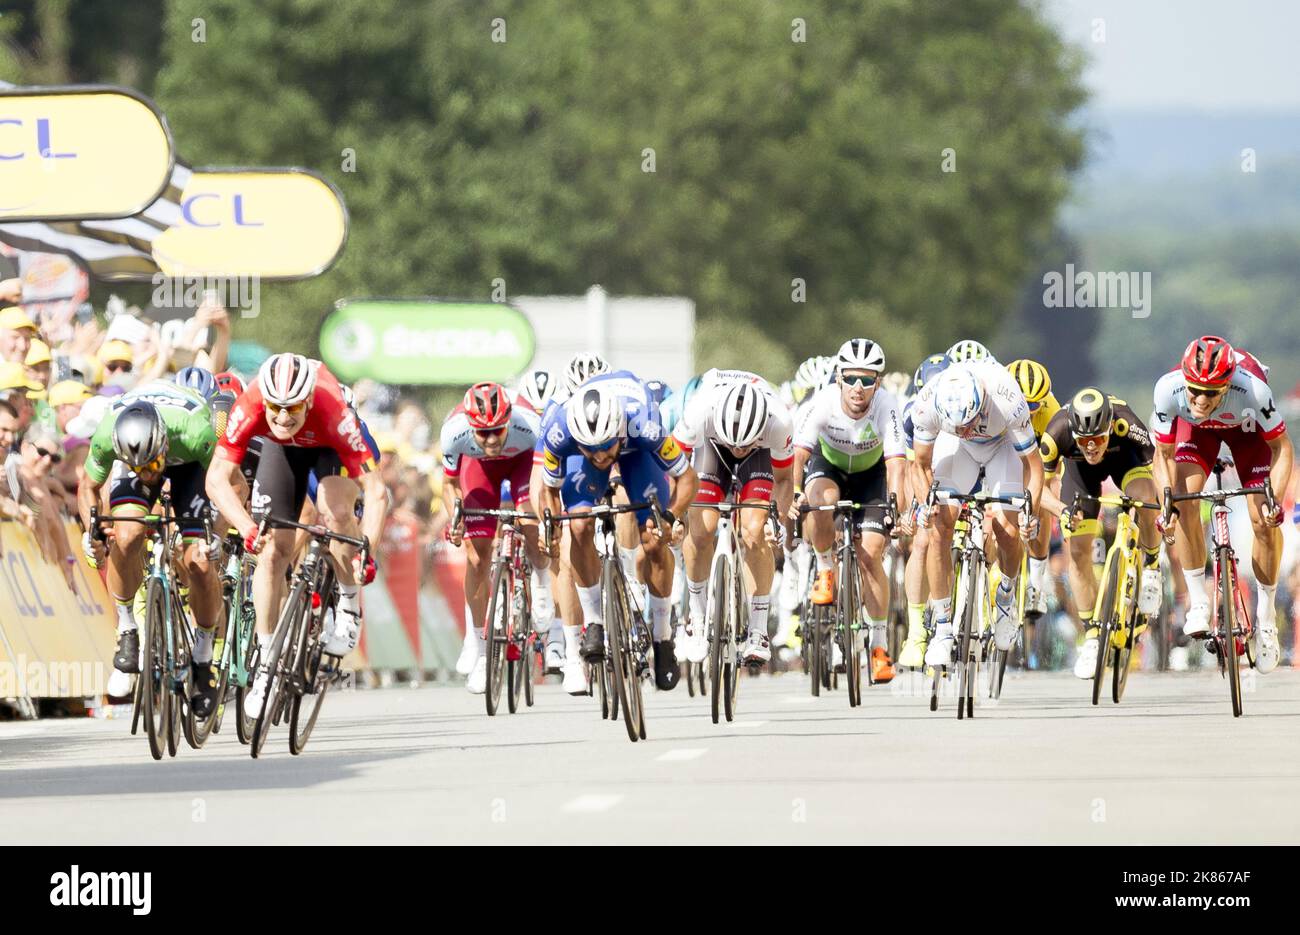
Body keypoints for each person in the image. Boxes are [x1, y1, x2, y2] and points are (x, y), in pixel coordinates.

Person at [205, 353, 389, 715]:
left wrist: (366, 548)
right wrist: (245, 526)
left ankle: (349, 605)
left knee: (334, 509)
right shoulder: (252, 404)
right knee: (273, 550)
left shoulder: (334, 411)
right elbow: (216, 479)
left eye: (292, 408)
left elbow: (378, 492)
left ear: (307, 400)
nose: (283, 417)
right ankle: (266, 663)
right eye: (275, 408)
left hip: (329, 446)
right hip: (282, 452)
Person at [536, 373, 700, 693]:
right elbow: (550, 490)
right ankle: (595, 621)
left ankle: (663, 636)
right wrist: (553, 526)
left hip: (636, 453)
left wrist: (672, 517)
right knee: (579, 524)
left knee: (653, 538)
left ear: (617, 432)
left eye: (605, 448)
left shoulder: (644, 425)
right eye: (591, 450)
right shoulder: (562, 431)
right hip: (584, 450)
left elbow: (687, 478)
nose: (599, 457)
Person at [1149, 336, 1293, 673]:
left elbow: (1282, 449)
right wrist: (1166, 499)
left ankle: (1266, 616)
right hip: (1198, 435)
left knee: (1263, 521)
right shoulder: (1167, 390)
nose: (1199, 399)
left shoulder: (1254, 389)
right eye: (1193, 389)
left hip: (1248, 432)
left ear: (1228, 384)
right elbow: (1163, 456)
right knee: (1184, 504)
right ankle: (1198, 602)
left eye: (1210, 392)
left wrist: (1274, 498)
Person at [77, 386, 224, 711]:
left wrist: (218, 536)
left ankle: (202, 659)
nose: (149, 472)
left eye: (152, 463)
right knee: (127, 535)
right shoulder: (106, 435)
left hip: (190, 465)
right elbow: (87, 487)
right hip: (138, 450)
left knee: (199, 562)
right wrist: (93, 534)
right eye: (141, 466)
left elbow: (231, 482)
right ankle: (128, 627)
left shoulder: (196, 432)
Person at [911, 358, 1045, 666]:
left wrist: (1030, 514)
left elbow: (1034, 468)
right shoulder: (929, 402)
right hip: (957, 449)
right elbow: (919, 466)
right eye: (960, 425)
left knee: (1007, 529)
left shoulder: (1006, 396)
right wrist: (924, 505)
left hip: (1003, 448)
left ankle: (1007, 597)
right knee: (940, 526)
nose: (967, 429)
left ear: (982, 399)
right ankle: (943, 628)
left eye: (970, 421)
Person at [790, 339, 910, 682]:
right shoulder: (822, 402)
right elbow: (798, 455)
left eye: (868, 379)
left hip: (871, 476)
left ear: (879, 381)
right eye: (852, 378)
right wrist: (797, 493)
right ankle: (826, 567)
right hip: (828, 468)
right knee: (820, 501)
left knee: (871, 554)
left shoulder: (886, 406)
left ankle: (878, 645)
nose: (859, 387)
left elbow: (897, 464)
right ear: (839, 377)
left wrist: (894, 506)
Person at [1037, 388, 1163, 678]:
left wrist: (1161, 509)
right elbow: (1038, 489)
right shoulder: (1057, 433)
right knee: (1078, 552)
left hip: (1125, 461)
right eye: (1084, 441)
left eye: (1098, 439)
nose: (1092, 447)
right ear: (1074, 433)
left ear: (1110, 428)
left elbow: (1157, 468)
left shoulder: (1127, 424)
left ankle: (1153, 567)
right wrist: (1061, 510)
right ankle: (1092, 636)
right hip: (1080, 476)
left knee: (1145, 500)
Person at [674, 372, 795, 665]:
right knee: (701, 528)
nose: (738, 451)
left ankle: (757, 628)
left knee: (754, 531)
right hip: (712, 449)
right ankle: (698, 615)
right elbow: (672, 471)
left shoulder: (778, 423)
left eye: (745, 444)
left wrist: (774, 521)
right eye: (735, 445)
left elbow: (783, 480)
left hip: (761, 454)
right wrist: (675, 516)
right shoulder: (699, 411)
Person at [440, 382, 549, 694]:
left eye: (497, 431)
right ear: (470, 426)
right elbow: (449, 486)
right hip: (479, 472)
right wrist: (455, 518)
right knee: (476, 557)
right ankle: (479, 645)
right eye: (482, 433)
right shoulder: (454, 431)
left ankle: (541, 583)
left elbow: (546, 480)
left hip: (524, 465)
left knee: (530, 519)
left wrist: (540, 519)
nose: (489, 439)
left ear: (509, 421)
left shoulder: (530, 425)